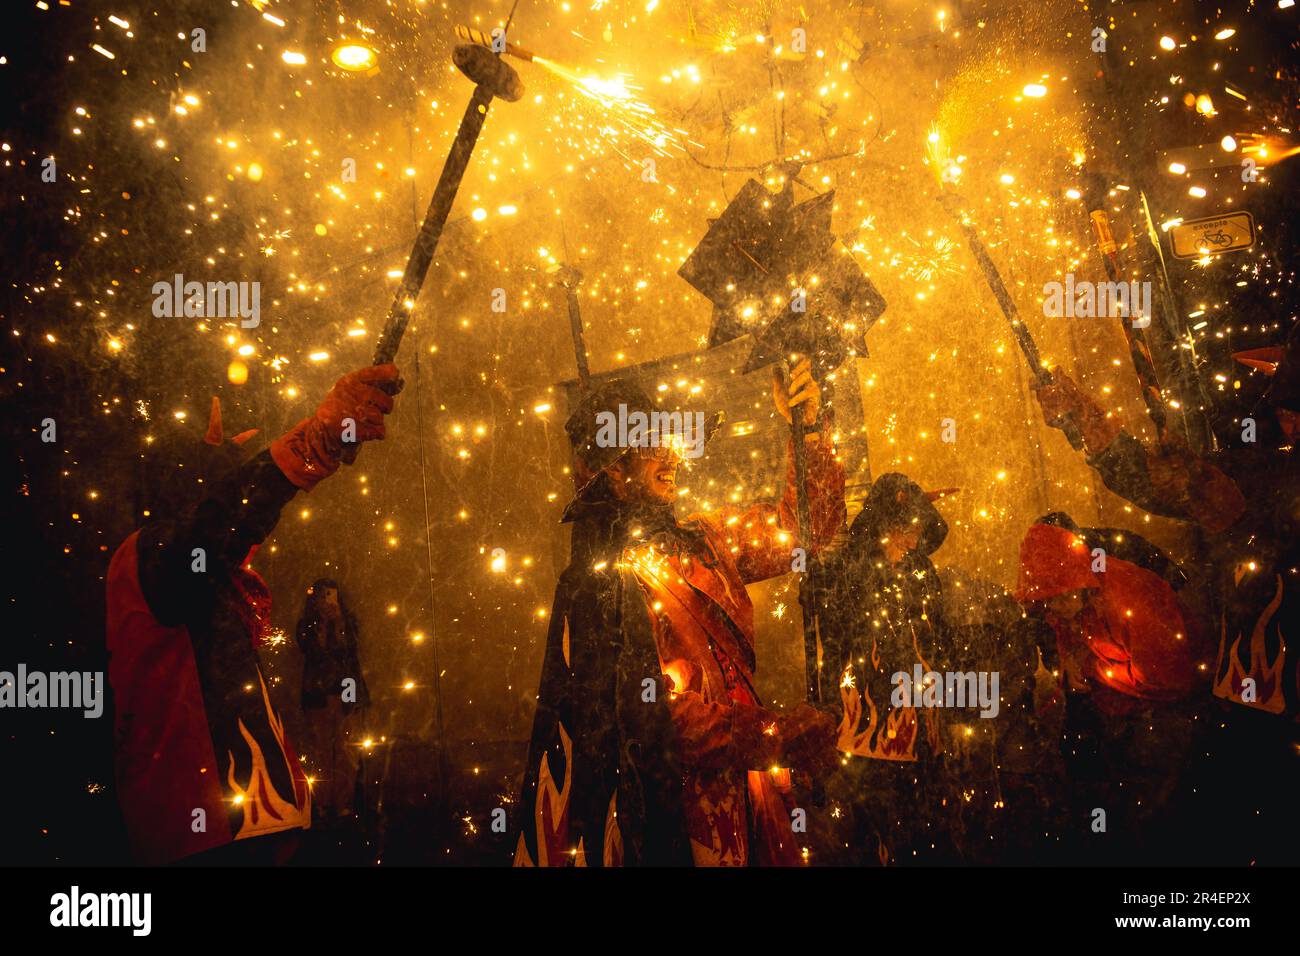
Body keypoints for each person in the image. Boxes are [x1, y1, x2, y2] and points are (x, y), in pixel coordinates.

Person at [516, 359, 844, 866]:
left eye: (669, 439)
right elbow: (654, 721)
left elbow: (805, 531)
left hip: (748, 798)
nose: (669, 453)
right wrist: (775, 735)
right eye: (648, 446)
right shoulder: (600, 582)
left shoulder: (705, 539)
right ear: (615, 473)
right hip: (670, 816)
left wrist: (809, 430)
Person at [105, 365, 400, 864]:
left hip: (237, 829)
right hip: (206, 836)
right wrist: (309, 446)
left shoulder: (191, 570)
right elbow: (218, 524)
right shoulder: (149, 554)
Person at [1032, 326, 1300, 862]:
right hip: (1242, 705)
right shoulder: (1270, 470)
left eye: (1293, 411)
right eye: (1286, 412)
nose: (1286, 423)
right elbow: (1164, 483)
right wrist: (1084, 424)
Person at [1013, 520, 1205, 861]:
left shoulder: (1127, 596)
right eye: (1045, 601)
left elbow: (1170, 681)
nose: (1053, 609)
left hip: (1169, 708)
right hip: (1121, 705)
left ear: (1076, 582)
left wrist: (1093, 669)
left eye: (1056, 598)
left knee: (1159, 800)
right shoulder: (1066, 602)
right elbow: (1074, 667)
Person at [804, 473, 955, 864]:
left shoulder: (921, 574)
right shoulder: (849, 577)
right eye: (905, 529)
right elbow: (836, 652)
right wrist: (828, 710)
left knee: (931, 837)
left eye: (917, 531)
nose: (913, 541)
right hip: (871, 734)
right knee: (883, 838)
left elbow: (940, 640)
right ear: (881, 527)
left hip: (924, 732)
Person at [295, 578, 369, 824]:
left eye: (330, 595)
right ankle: (323, 803)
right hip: (319, 695)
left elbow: (351, 650)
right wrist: (323, 624)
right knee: (322, 751)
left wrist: (338, 623)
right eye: (321, 596)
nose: (325, 600)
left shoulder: (349, 622)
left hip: (346, 691)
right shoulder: (306, 625)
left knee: (347, 750)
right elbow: (312, 651)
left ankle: (344, 804)